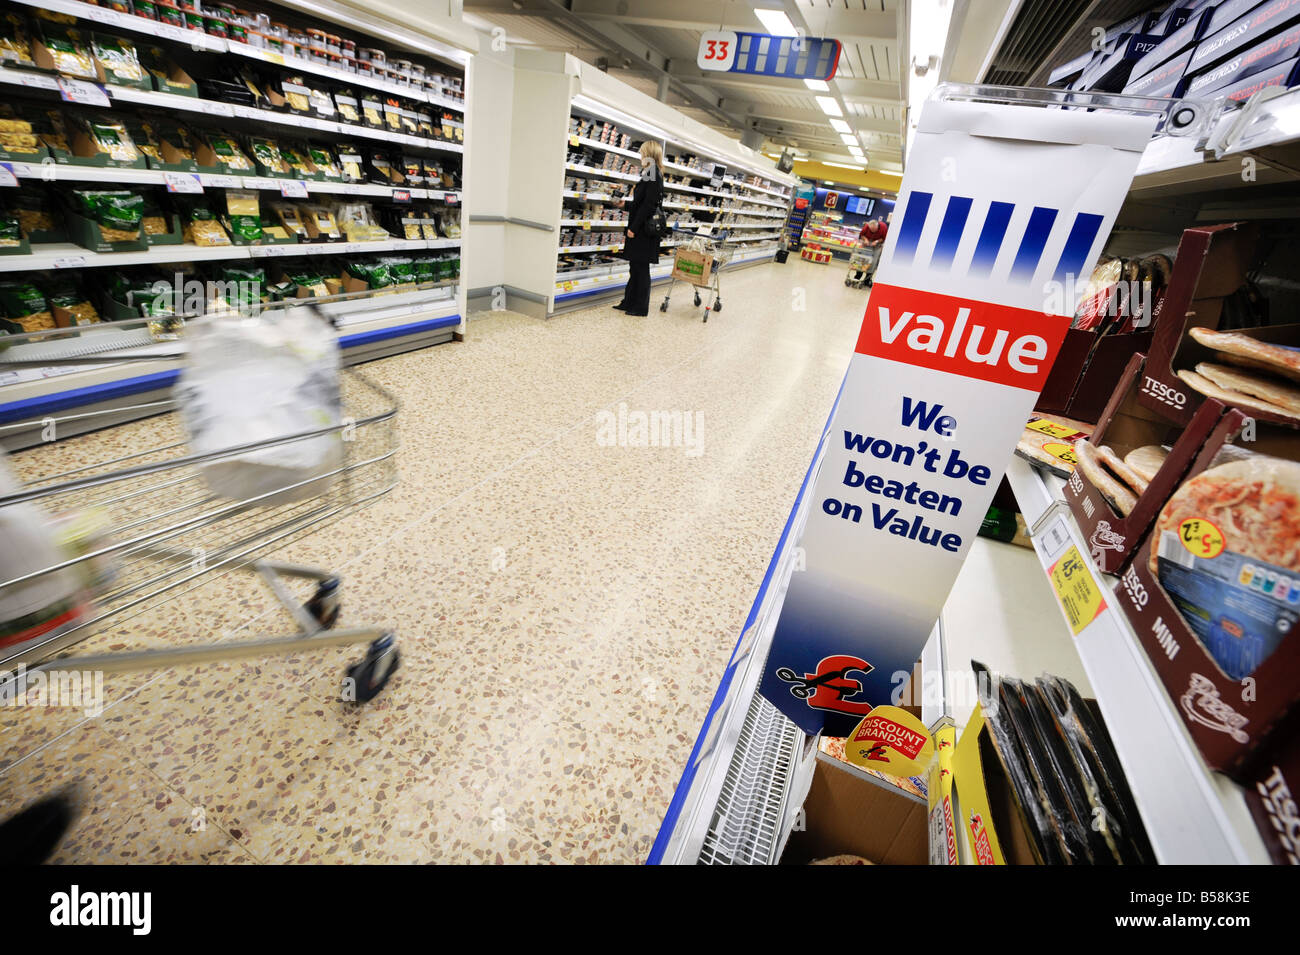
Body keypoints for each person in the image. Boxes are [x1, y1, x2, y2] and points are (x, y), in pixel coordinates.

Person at [614, 140, 665, 316]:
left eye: (642, 153)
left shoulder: (652, 172)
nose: (641, 156)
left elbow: (649, 205)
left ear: (649, 154)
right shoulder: (651, 172)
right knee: (635, 267)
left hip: (643, 231)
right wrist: (625, 205)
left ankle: (640, 307)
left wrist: (634, 228)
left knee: (641, 269)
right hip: (642, 228)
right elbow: (641, 202)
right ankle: (629, 302)